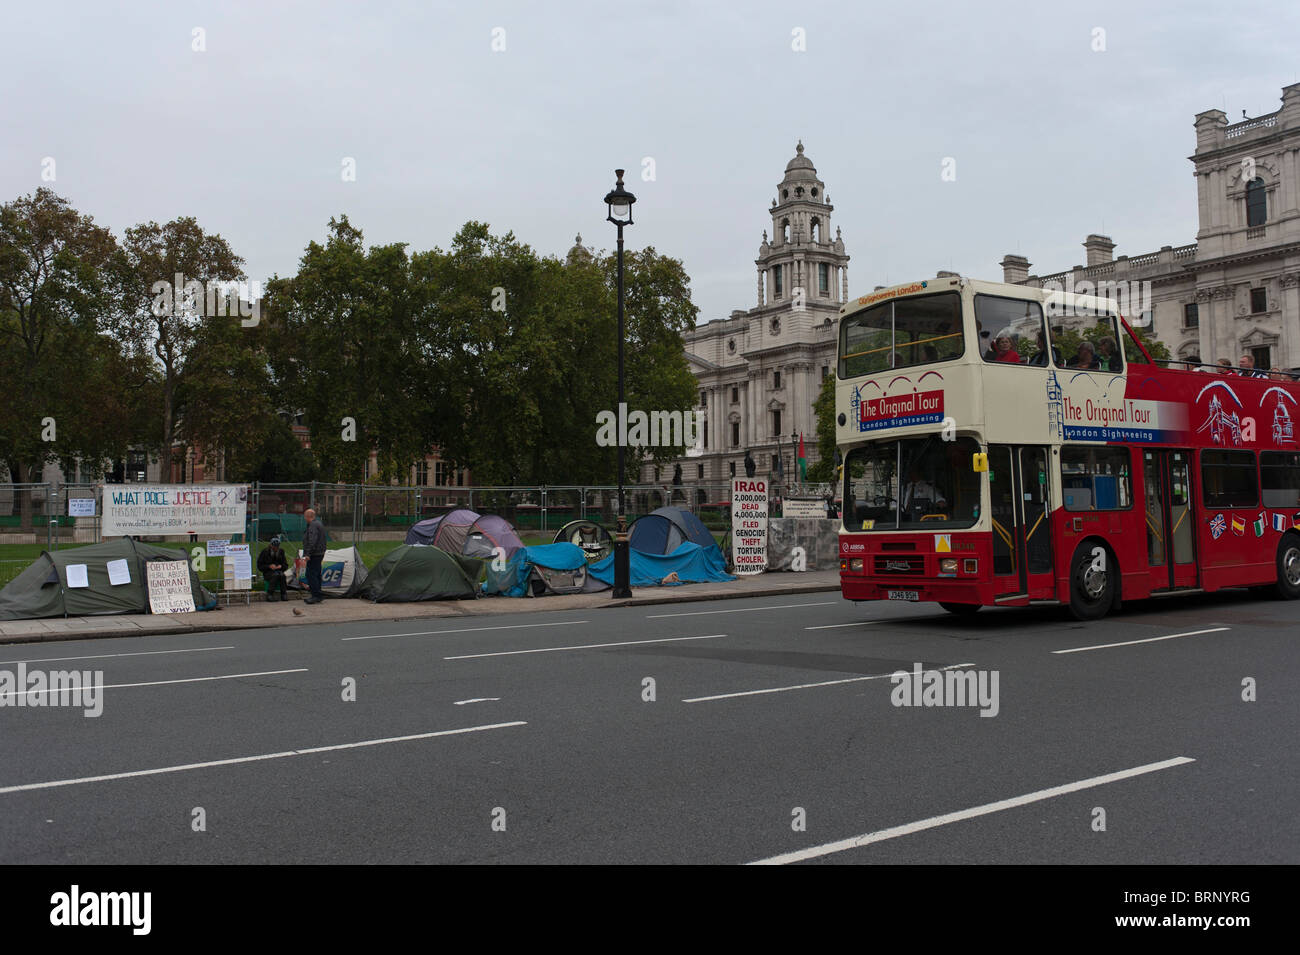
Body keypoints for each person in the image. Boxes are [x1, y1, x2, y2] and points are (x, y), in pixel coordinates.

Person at [301, 508, 327, 604]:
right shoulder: (319, 524)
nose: (304, 519)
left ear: (308, 516)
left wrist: (308, 554)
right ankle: (318, 594)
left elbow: (312, 540)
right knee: (317, 573)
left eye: (305, 517)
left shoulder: (312, 525)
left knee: (310, 574)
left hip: (314, 553)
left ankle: (315, 595)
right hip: (320, 552)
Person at [257, 536, 289, 601]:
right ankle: (270, 594)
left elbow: (285, 565)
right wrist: (269, 566)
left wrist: (281, 566)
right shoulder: (265, 552)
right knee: (275, 575)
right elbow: (260, 566)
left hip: (279, 571)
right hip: (268, 572)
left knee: (282, 575)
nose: (276, 548)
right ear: (271, 545)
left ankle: (284, 594)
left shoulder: (281, 551)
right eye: (274, 547)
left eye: (277, 547)